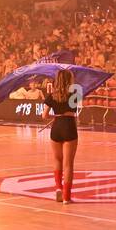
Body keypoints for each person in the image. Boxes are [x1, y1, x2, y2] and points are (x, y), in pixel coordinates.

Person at [43, 69, 80, 204]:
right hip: (69, 126)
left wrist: (56, 116)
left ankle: (58, 188)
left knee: (57, 160)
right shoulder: (75, 94)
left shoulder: (51, 95)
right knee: (68, 164)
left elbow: (44, 115)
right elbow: (72, 111)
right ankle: (66, 197)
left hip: (56, 127)